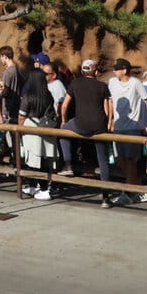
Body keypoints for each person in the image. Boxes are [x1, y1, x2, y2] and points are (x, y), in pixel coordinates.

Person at [59, 58, 113, 205]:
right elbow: (108, 109)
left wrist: (64, 121)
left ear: (83, 71)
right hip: (100, 125)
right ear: (95, 71)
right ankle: (105, 198)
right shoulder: (102, 86)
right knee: (103, 160)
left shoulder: (75, 83)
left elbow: (64, 106)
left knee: (63, 131)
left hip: (81, 124)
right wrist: (108, 124)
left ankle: (68, 164)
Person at [107, 58, 147, 205]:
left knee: (132, 162)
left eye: (117, 68)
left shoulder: (136, 83)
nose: (114, 71)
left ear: (125, 70)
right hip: (118, 128)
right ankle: (138, 188)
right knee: (120, 160)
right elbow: (109, 100)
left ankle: (128, 192)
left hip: (133, 128)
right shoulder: (112, 82)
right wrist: (110, 120)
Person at [18, 52, 59, 199]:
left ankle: (41, 189)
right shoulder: (47, 95)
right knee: (42, 159)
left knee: (33, 159)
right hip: (45, 127)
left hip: (31, 128)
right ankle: (34, 186)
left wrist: (19, 129)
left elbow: (22, 115)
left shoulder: (29, 96)